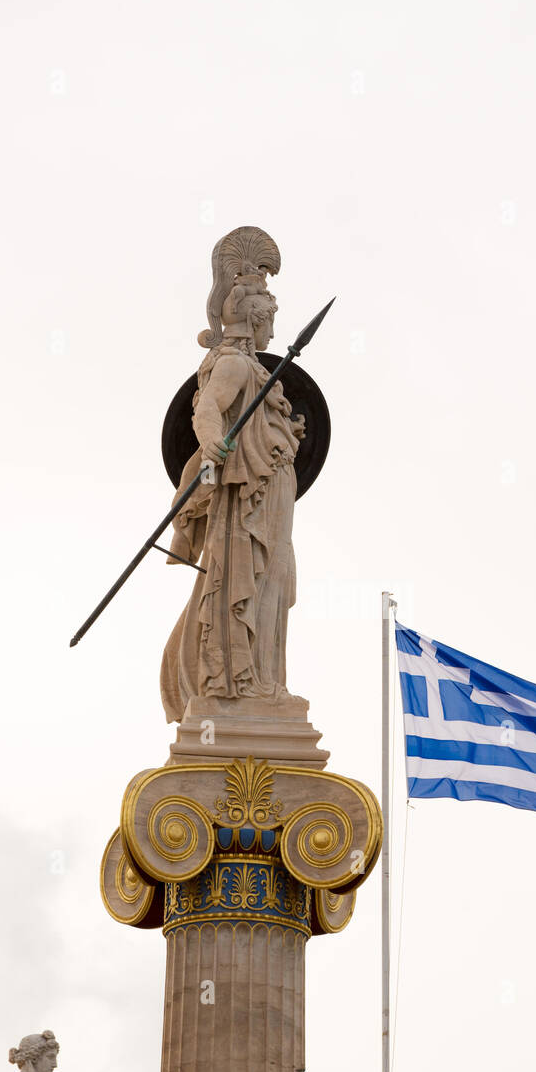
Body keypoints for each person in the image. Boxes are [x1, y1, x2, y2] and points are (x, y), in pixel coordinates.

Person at [160, 227, 306, 721]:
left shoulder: (254, 370)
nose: (272, 333)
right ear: (254, 319)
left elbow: (258, 431)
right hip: (247, 505)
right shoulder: (235, 365)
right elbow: (208, 412)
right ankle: (238, 685)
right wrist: (212, 442)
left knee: (274, 587)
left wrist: (285, 430)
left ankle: (261, 682)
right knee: (251, 585)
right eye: (270, 321)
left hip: (267, 503)